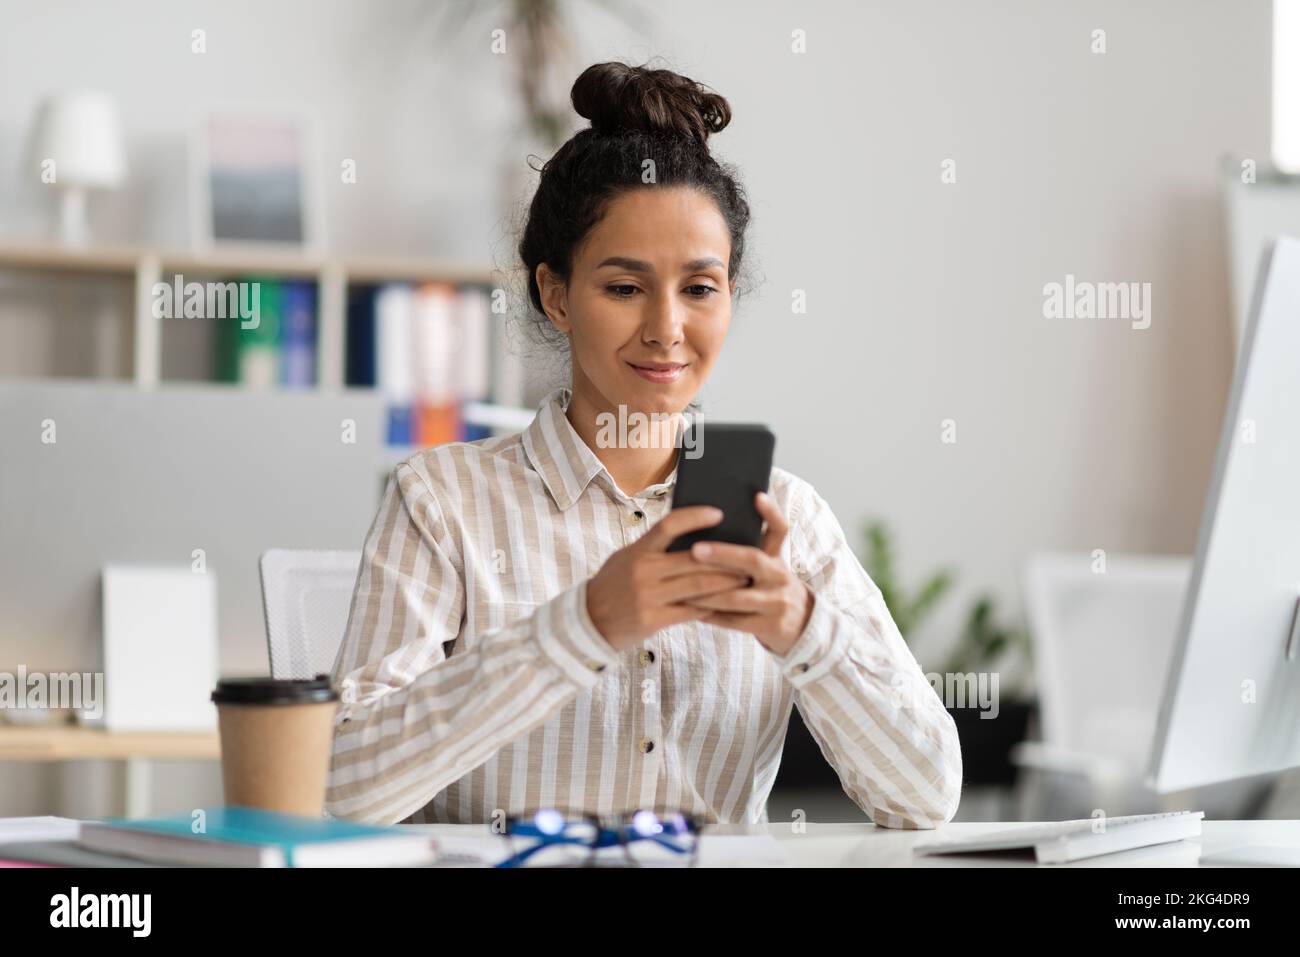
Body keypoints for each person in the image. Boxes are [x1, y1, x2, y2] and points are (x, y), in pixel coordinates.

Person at [327, 60, 962, 829]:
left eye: (700, 288)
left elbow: (928, 797)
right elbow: (340, 791)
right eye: (625, 288)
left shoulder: (787, 514)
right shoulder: (441, 500)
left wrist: (802, 629)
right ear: (556, 294)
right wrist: (585, 623)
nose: (667, 328)